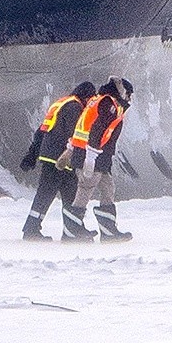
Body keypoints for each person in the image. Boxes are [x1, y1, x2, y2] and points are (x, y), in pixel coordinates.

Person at [58, 76, 134, 242]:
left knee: (108, 187)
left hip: (95, 155)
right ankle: (72, 231)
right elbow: (97, 129)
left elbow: (81, 126)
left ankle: (108, 230)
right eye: (129, 94)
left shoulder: (100, 101)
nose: (130, 99)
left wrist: (69, 150)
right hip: (91, 154)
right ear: (122, 92)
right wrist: (90, 157)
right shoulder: (109, 104)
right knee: (85, 188)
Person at [19, 81, 95, 241]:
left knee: (69, 195)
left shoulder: (61, 103)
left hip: (52, 155)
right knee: (46, 194)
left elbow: (41, 130)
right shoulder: (75, 108)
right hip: (61, 157)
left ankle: (73, 229)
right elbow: (76, 136)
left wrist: (32, 154)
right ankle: (31, 230)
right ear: (86, 96)